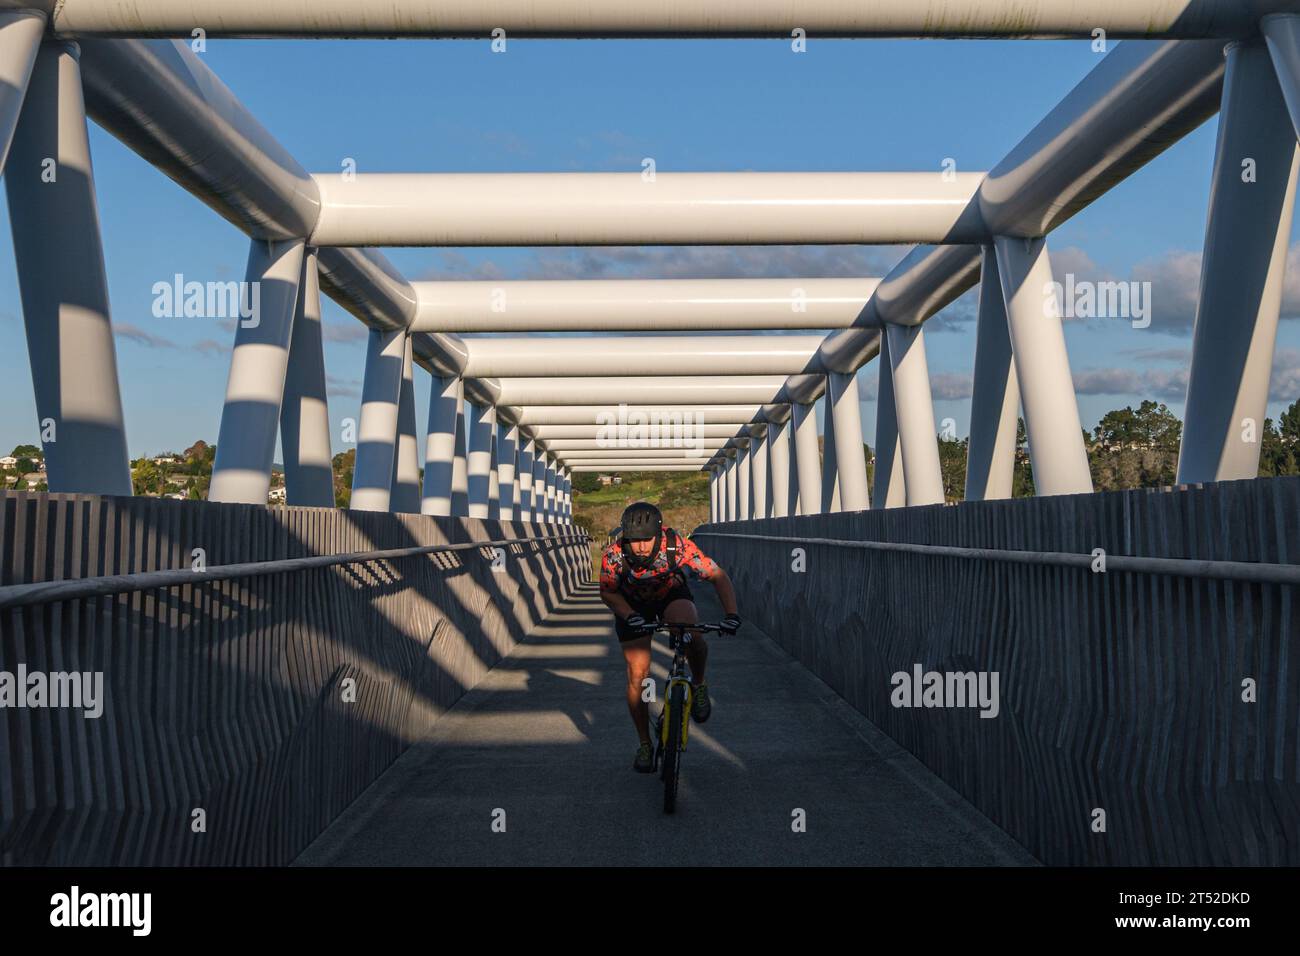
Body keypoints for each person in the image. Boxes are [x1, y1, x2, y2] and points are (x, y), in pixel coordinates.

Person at [598, 501, 740, 773]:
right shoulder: (614, 555)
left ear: (660, 534)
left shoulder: (678, 547)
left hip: (670, 596)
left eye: (646, 540)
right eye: (633, 540)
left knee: (691, 631)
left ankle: (698, 684)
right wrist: (628, 615)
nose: (639, 547)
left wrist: (731, 614)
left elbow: (717, 575)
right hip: (632, 605)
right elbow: (608, 591)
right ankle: (644, 744)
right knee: (638, 674)